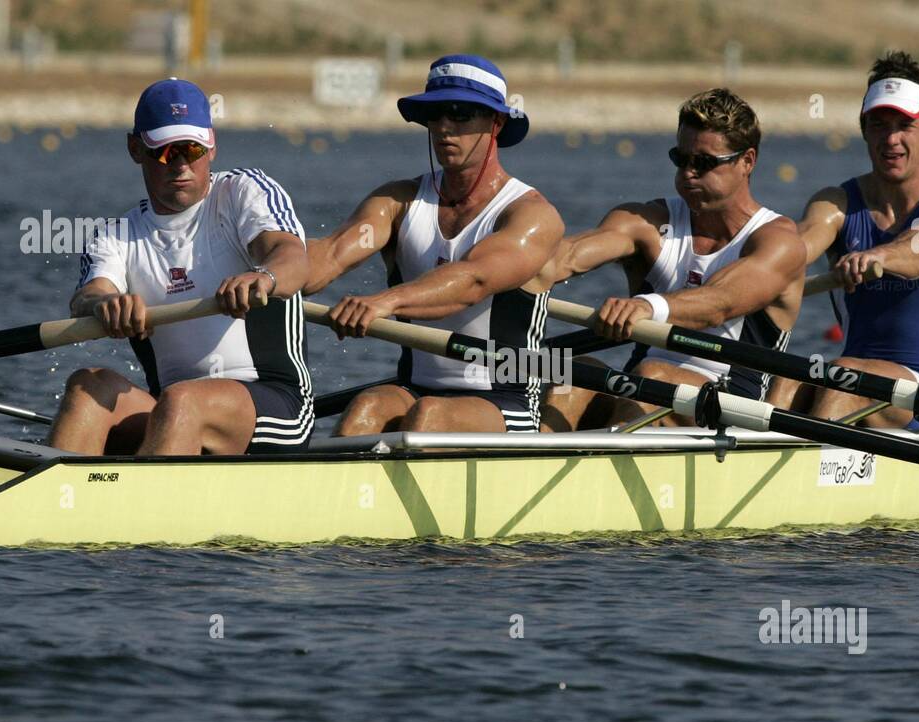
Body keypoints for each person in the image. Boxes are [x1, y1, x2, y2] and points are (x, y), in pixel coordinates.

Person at [49, 78, 314, 455]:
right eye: (165, 152)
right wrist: (103, 306)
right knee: (88, 384)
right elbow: (90, 295)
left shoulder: (242, 193)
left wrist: (264, 278)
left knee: (181, 401)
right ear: (135, 149)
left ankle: (136, 503)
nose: (182, 164)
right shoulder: (115, 235)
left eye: (192, 149)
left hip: (275, 402)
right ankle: (52, 501)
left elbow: (293, 259)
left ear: (212, 145)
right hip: (171, 411)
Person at [305, 54, 564, 435]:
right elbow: (328, 255)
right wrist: (267, 275)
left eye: (460, 113)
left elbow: (472, 282)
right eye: (434, 114)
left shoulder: (531, 216)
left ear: (496, 122)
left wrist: (385, 301)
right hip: (414, 389)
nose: (444, 127)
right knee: (367, 407)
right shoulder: (397, 201)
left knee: (431, 417)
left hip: (506, 400)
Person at [539, 88, 805, 430]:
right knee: (573, 371)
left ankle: (605, 463)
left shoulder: (778, 242)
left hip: (732, 413)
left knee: (654, 375)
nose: (689, 172)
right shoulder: (648, 222)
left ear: (747, 161)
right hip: (642, 391)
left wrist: (649, 307)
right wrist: (504, 273)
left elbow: (720, 303)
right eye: (681, 159)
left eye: (705, 163)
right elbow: (565, 257)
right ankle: (534, 463)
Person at [768, 51, 919, 428]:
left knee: (843, 378)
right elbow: (790, 255)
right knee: (786, 380)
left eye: (905, 125)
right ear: (864, 129)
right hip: (850, 380)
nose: (891, 139)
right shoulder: (834, 204)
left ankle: (808, 470)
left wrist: (878, 257)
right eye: (878, 125)